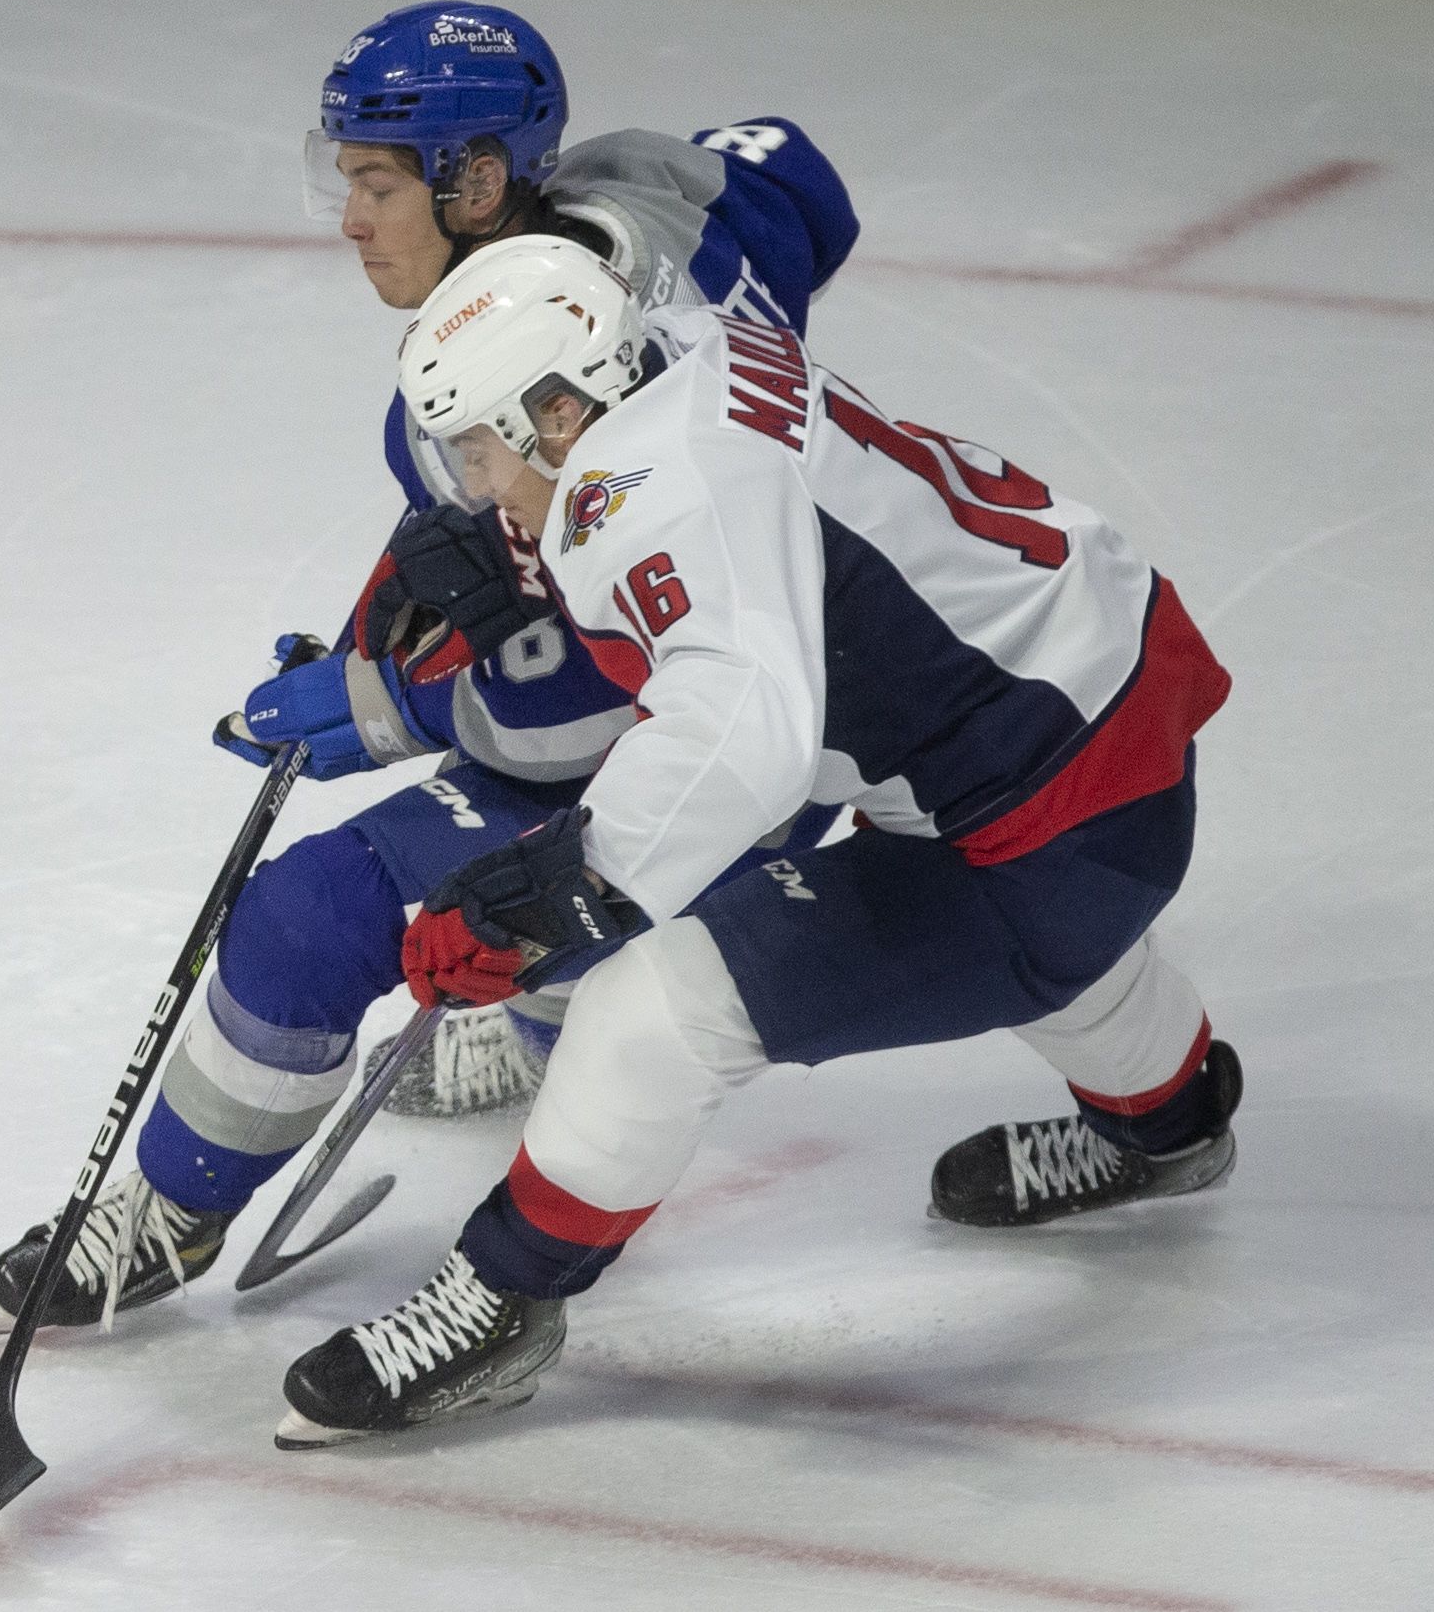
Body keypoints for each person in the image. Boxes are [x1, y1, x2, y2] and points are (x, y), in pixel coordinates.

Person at [0, 1, 858, 1336]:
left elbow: (597, 713)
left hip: (739, 755)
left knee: (575, 975)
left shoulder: (580, 401)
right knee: (307, 913)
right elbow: (798, 179)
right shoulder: (650, 210)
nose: (348, 217)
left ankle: (530, 1187)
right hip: (762, 666)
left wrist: (391, 706)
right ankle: (165, 1203)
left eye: (377, 182)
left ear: (480, 180)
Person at [270, 234, 1238, 1448]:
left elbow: (741, 737)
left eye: (482, 455)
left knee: (653, 1010)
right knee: (1013, 943)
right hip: (1073, 702)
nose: (476, 488)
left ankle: (500, 1300)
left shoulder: (653, 491)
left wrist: (556, 890)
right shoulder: (679, 344)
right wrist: (516, 548)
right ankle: (1176, 1117)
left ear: (561, 411)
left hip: (1044, 811)